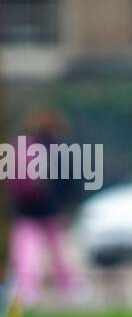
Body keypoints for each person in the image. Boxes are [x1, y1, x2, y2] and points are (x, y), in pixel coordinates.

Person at [7, 107, 88, 306]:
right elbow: (69, 182)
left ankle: (26, 290)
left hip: (27, 209)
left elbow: (12, 182)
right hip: (52, 210)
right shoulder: (61, 150)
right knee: (60, 253)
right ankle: (71, 288)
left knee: (26, 253)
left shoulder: (23, 147)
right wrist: (68, 207)